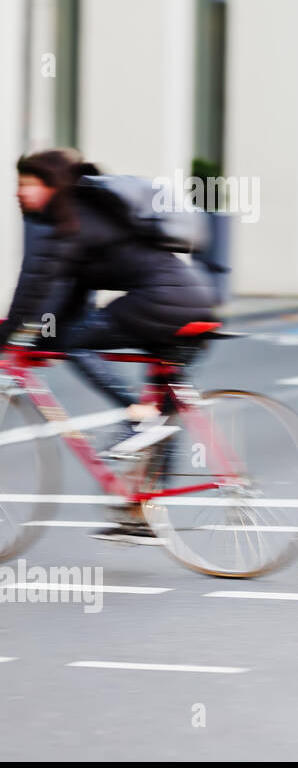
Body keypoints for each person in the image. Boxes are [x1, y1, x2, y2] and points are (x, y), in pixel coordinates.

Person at [1, 149, 219, 536]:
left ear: (52, 184)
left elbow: (34, 288)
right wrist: (36, 341)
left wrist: (8, 337)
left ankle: (135, 414)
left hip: (162, 302)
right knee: (165, 400)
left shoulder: (71, 225)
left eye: (28, 183)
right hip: (197, 301)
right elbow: (69, 300)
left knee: (77, 343)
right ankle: (142, 509)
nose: (20, 192)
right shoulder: (91, 221)